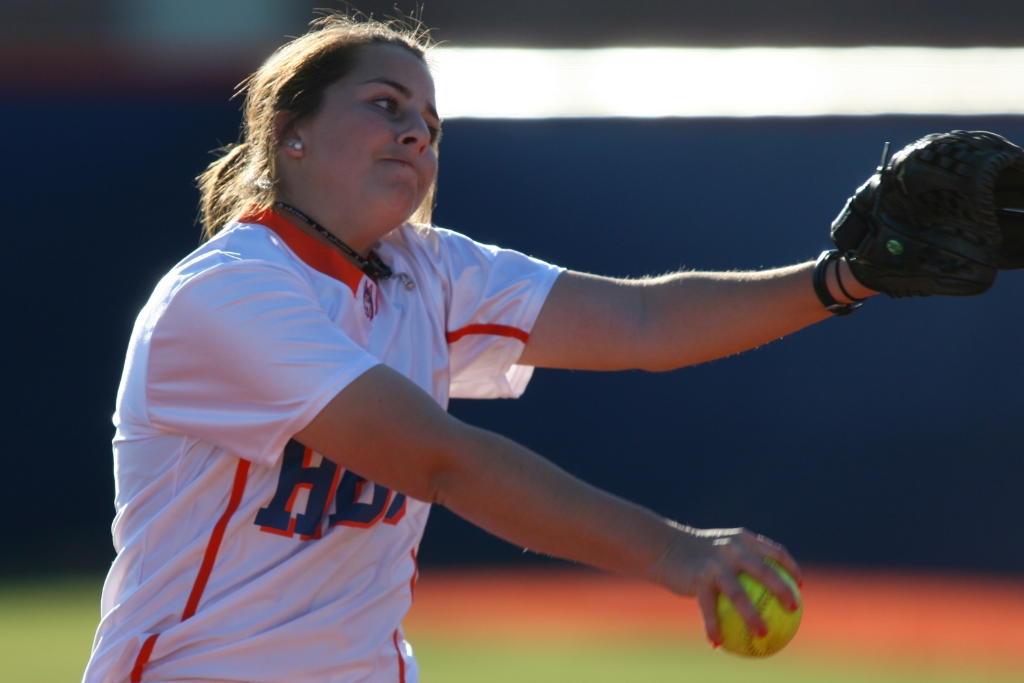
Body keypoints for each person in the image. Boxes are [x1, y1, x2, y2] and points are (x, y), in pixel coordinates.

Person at [84, 13, 879, 683]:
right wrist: (673, 550)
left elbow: (643, 320)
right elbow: (441, 461)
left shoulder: (423, 270)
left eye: (430, 127)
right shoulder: (228, 293)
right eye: (385, 104)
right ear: (293, 133)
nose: (415, 133)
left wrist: (846, 278)